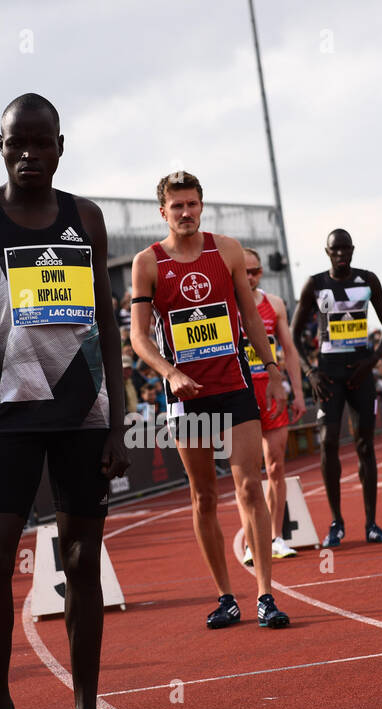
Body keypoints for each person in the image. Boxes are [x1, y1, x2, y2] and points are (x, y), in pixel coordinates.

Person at [0, 93, 146, 709]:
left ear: (61, 145)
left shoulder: (85, 217)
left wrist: (118, 417)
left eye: (39, 143)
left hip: (81, 415)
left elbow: (109, 318)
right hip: (5, 417)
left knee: (83, 561)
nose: (27, 155)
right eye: (14, 144)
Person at [131, 170, 291, 630]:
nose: (185, 213)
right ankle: (225, 596)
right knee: (204, 496)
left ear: (202, 206)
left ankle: (265, 595)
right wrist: (170, 372)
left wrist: (274, 370)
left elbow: (250, 316)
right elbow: (138, 338)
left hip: (235, 385)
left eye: (192, 204)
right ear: (163, 212)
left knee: (249, 487)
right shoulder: (148, 264)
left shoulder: (228, 251)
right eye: (176, 206)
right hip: (186, 396)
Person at [289, 229, 382, 546]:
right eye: (335, 249)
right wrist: (310, 372)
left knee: (366, 445)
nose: (341, 254)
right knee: (329, 442)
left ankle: (372, 524)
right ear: (327, 252)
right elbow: (292, 336)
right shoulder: (315, 284)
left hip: (361, 371)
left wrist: (373, 360)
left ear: (352, 249)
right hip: (329, 374)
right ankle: (336, 523)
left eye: (345, 248)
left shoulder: (368, 280)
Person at [238, 246, 305, 565]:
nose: (251, 277)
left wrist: (299, 393)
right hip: (242, 395)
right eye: (246, 271)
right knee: (249, 475)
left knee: (276, 465)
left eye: (256, 271)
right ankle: (252, 542)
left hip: (273, 393)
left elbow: (289, 351)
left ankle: (276, 537)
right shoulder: (229, 303)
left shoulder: (275, 304)